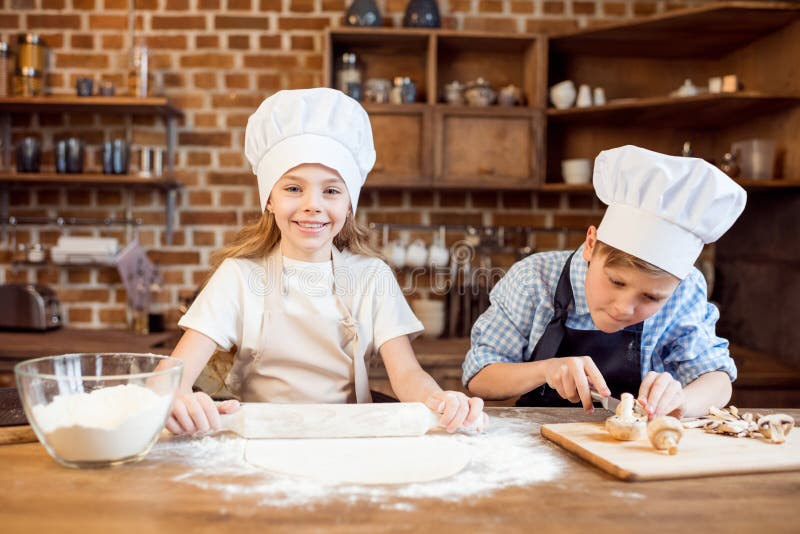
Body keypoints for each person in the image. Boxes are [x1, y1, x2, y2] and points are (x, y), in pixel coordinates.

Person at [166, 88, 486, 435]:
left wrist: (440, 400)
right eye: (293, 189)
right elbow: (168, 378)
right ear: (268, 199)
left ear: (349, 204)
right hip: (260, 443)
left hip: (348, 443)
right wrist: (176, 397)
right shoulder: (239, 277)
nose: (312, 205)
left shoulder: (371, 277)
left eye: (331, 191)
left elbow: (407, 375)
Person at [463, 145, 747, 419]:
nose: (624, 308)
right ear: (591, 244)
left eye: (651, 297)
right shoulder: (534, 279)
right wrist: (545, 370)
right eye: (616, 282)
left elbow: (717, 379)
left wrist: (683, 400)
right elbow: (479, 377)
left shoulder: (684, 291)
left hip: (637, 450)